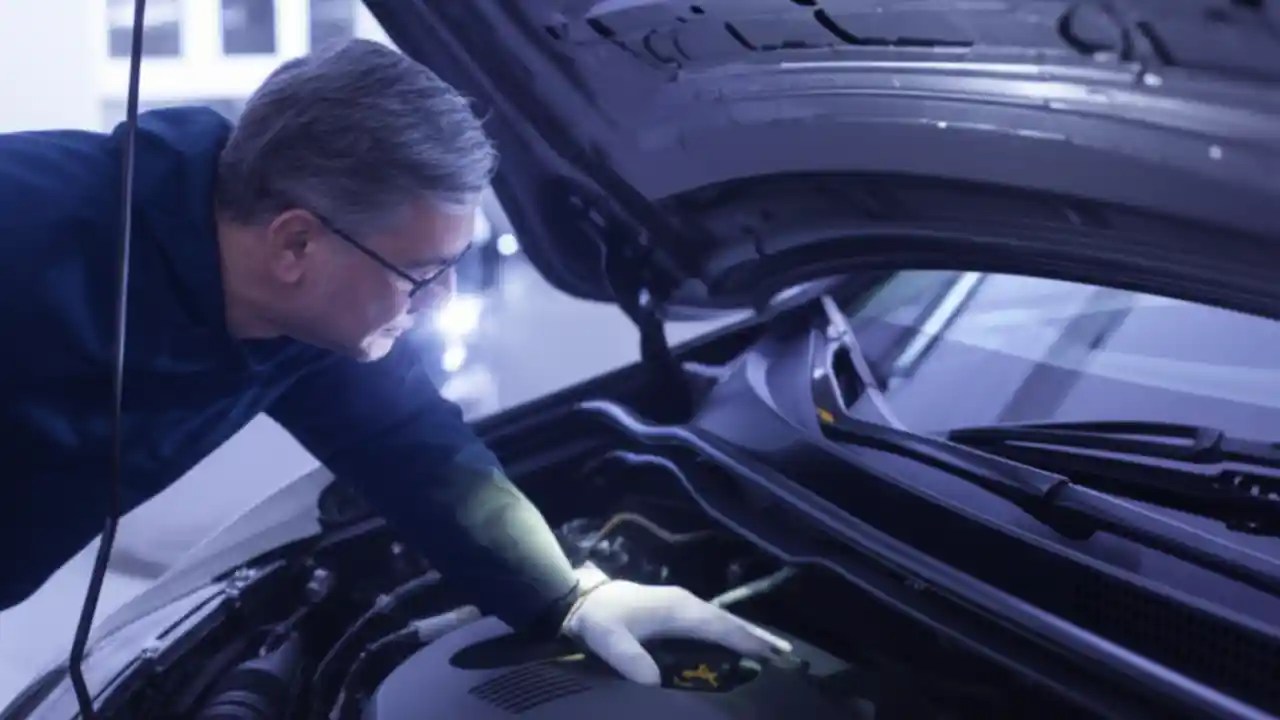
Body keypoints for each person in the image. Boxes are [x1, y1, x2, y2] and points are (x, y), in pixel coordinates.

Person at [0, 40, 790, 685]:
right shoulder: (27, 222)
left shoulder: (309, 323)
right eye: (422, 273)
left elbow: (421, 454)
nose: (442, 300)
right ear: (295, 242)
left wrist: (572, 597)